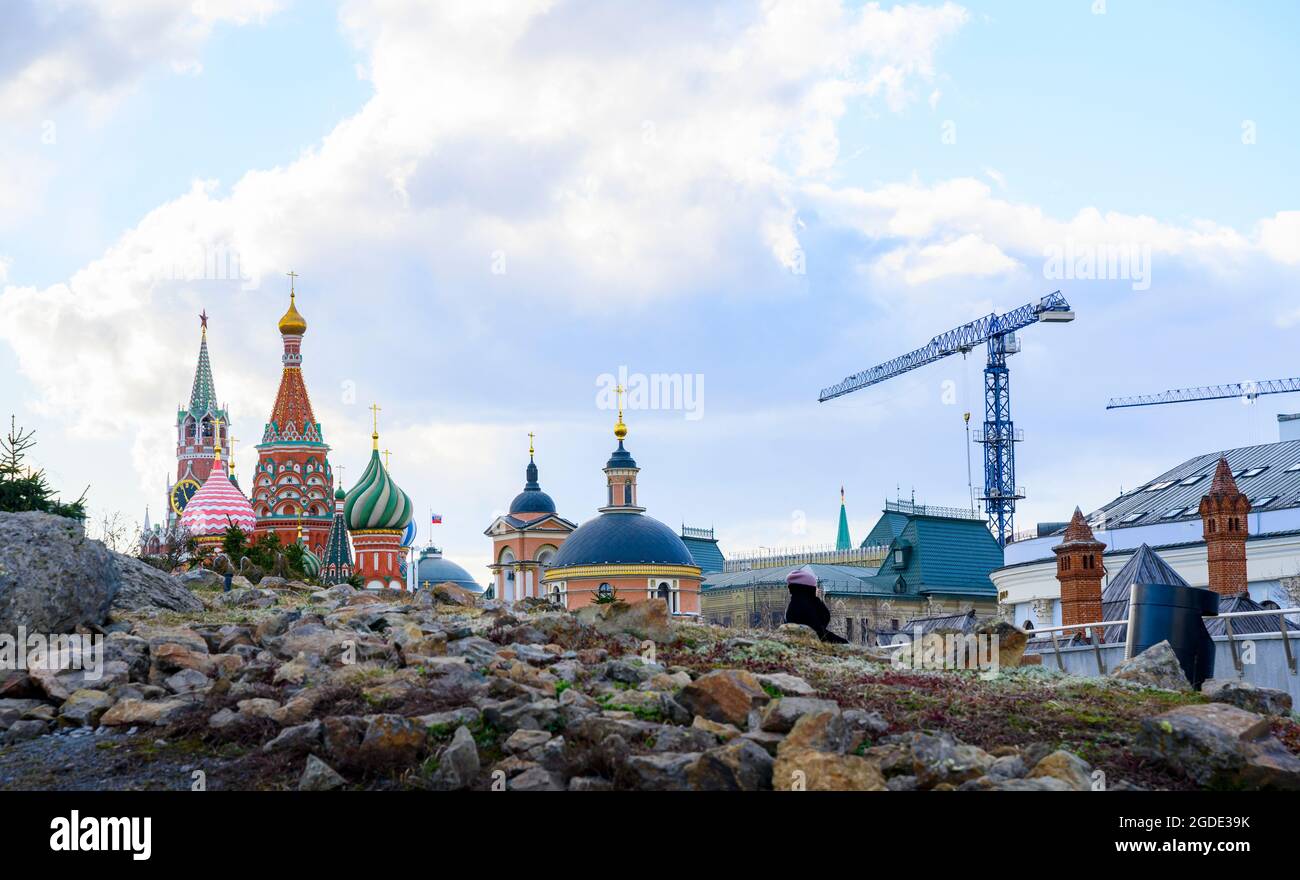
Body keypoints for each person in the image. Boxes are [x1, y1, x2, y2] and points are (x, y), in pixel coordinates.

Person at [784, 566, 848, 643]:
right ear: (808, 588)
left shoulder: (802, 602)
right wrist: (843, 642)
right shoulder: (804, 606)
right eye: (815, 587)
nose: (817, 589)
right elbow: (817, 632)